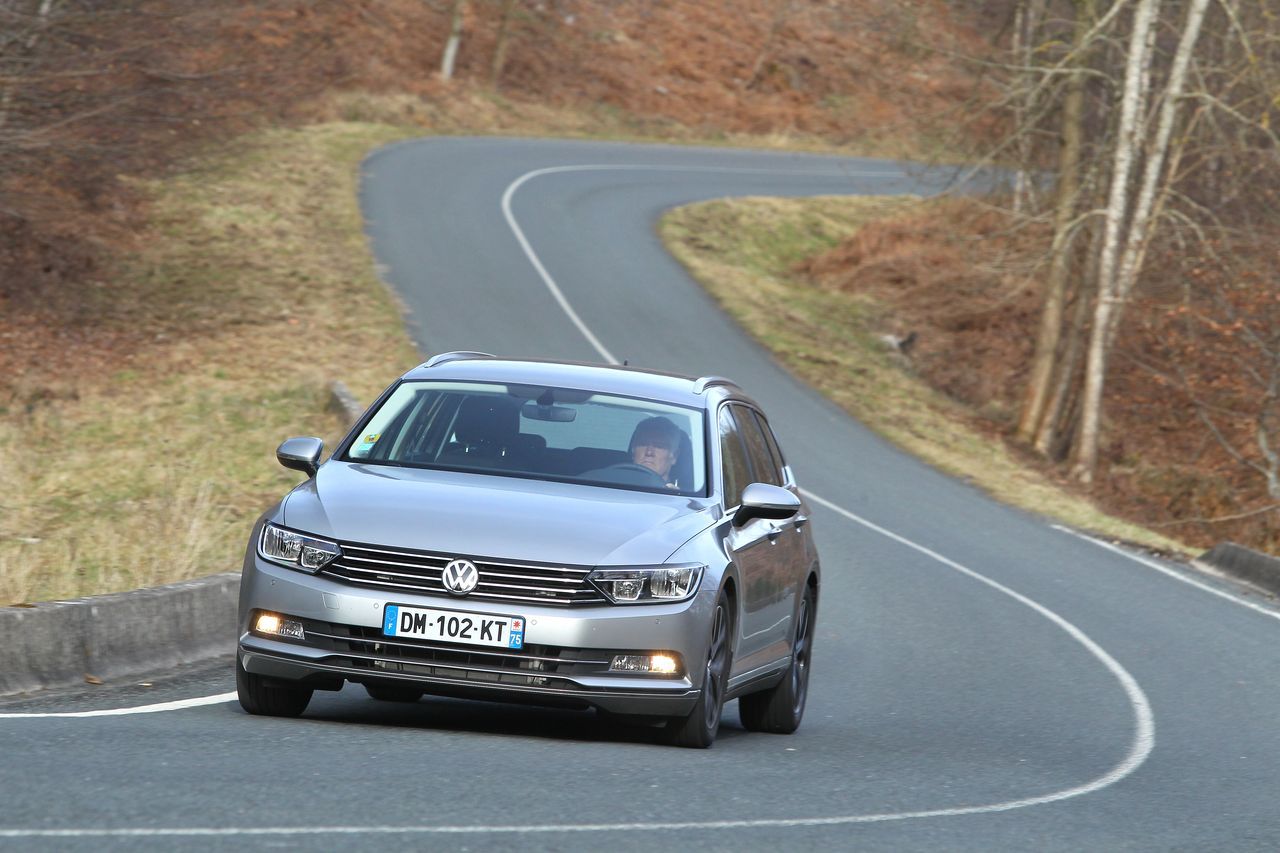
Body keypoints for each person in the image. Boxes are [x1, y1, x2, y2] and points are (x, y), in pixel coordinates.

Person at [628, 416, 682, 485]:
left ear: (674, 456)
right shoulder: (613, 488)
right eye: (643, 443)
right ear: (633, 450)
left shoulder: (681, 495)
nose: (649, 452)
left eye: (659, 446)